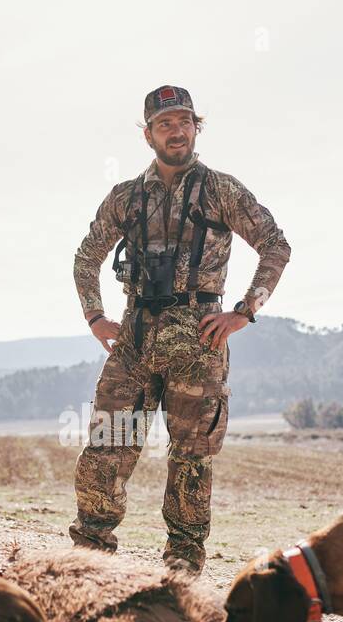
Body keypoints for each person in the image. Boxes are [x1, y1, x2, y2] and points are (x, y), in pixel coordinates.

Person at [69, 84, 292, 573]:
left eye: (185, 122)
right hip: (134, 341)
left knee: (191, 459)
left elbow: (276, 246)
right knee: (108, 446)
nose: (176, 131)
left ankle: (182, 566)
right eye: (165, 124)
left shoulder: (221, 190)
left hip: (199, 344)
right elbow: (86, 259)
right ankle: (90, 558)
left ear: (197, 127)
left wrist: (243, 312)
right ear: (148, 134)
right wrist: (94, 316)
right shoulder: (125, 197)